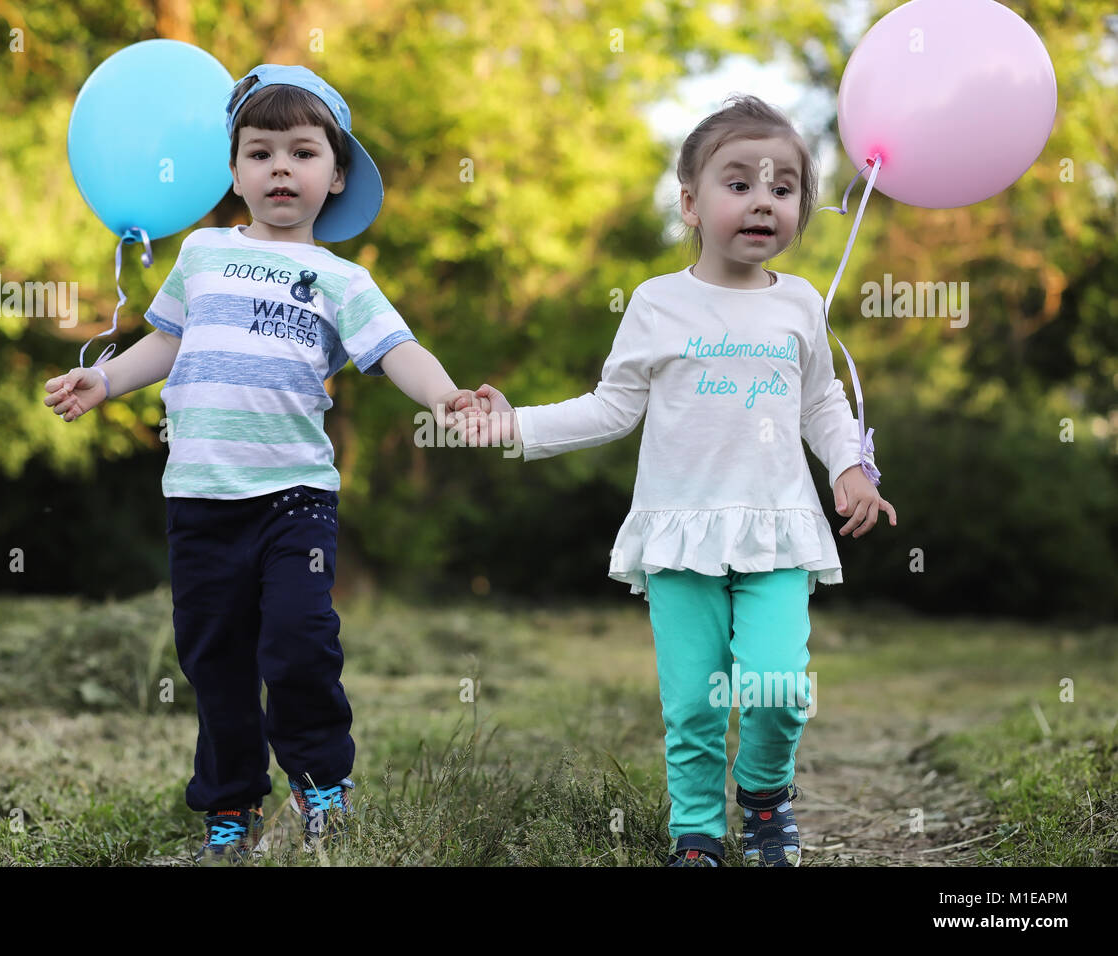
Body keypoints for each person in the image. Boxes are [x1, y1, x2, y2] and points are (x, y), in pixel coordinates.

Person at [44, 64, 484, 865]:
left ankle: (322, 785)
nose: (281, 167)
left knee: (297, 641)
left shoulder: (344, 280)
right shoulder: (204, 252)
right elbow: (168, 341)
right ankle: (230, 804)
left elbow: (397, 351)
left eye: (304, 152)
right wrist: (104, 378)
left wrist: (447, 396)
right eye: (260, 152)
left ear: (336, 173)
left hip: (295, 497)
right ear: (235, 170)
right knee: (214, 661)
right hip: (202, 499)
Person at [453, 94, 897, 867]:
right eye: (739, 183)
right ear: (691, 204)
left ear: (802, 205)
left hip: (776, 528)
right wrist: (515, 423)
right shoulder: (659, 303)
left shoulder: (799, 305)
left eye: (782, 188)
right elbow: (610, 407)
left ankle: (762, 794)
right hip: (679, 529)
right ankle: (695, 833)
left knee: (778, 687)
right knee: (693, 701)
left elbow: (822, 399)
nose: (763, 200)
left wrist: (852, 468)